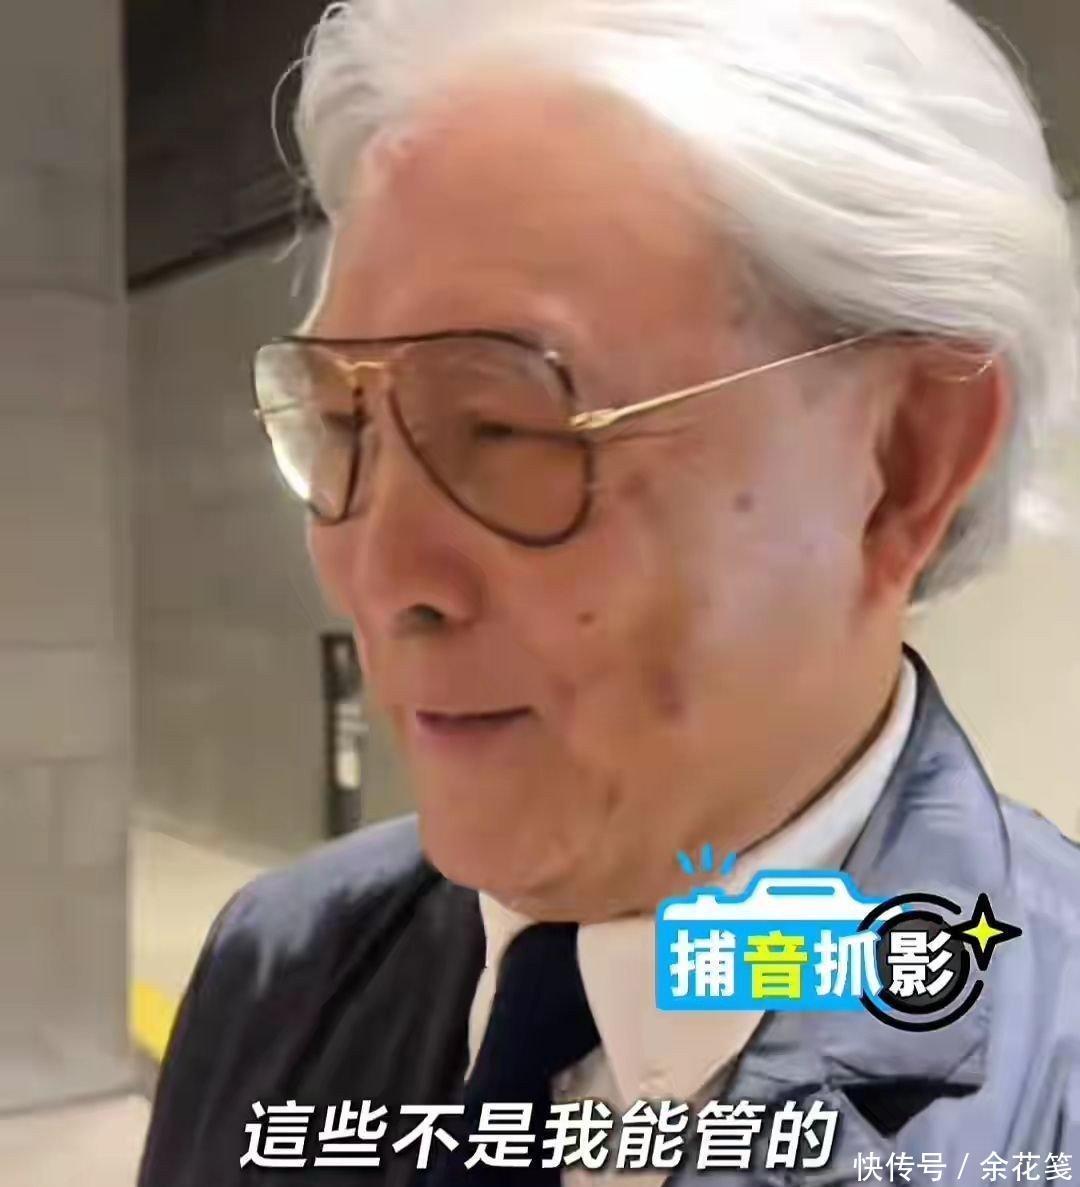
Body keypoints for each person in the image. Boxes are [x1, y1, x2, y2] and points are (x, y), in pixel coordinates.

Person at [138, 1, 1080, 1184]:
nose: (379, 571)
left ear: (903, 462)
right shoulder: (277, 965)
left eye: (505, 427)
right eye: (340, 425)